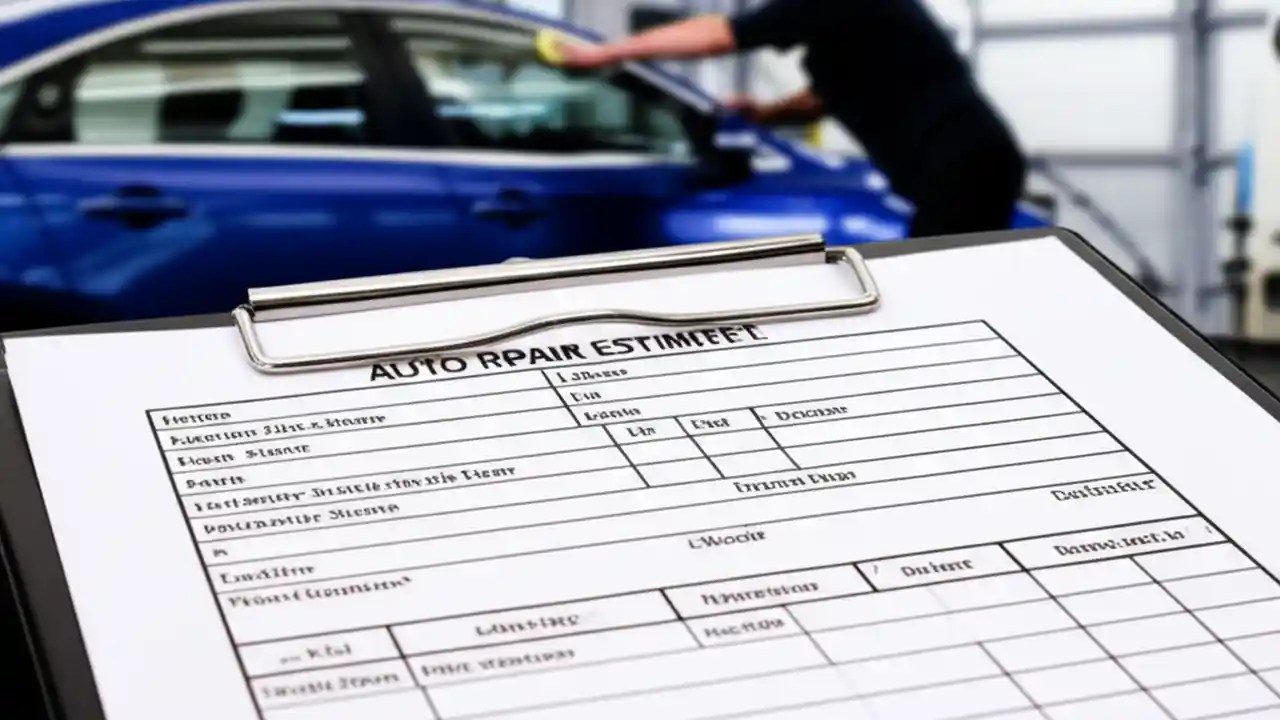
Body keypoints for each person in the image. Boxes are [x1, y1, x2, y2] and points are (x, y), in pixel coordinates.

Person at [550, 0, 1028, 238]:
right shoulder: (846, 27)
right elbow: (825, 97)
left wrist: (608, 52)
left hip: (965, 165)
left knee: (940, 293)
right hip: (958, 164)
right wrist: (767, 114)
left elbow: (719, 35)